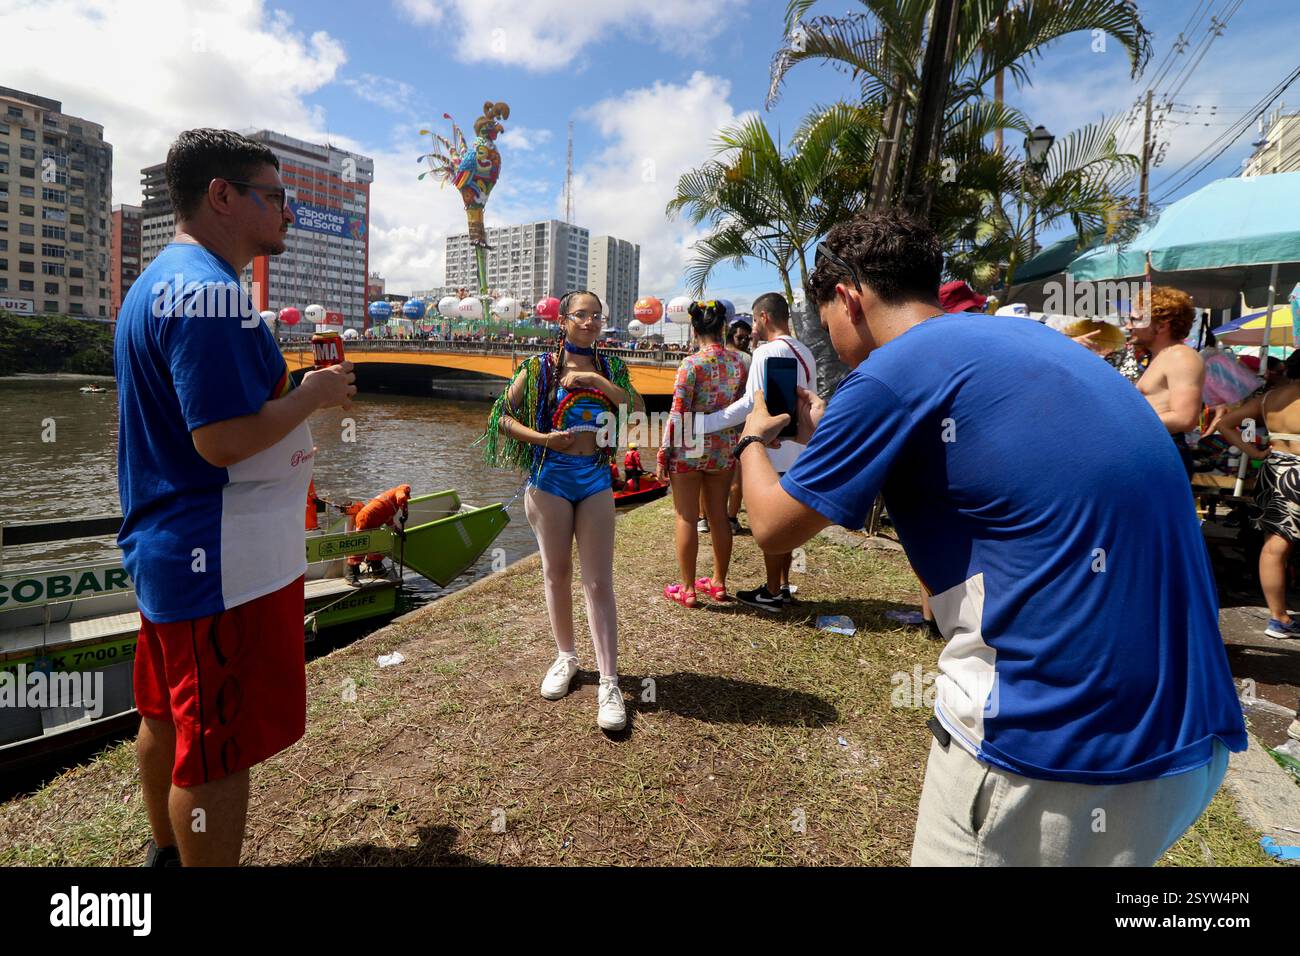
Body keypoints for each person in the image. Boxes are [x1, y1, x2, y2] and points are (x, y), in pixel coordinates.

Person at [736, 209, 1246, 866]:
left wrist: (753, 435)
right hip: (1187, 737)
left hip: (1049, 753)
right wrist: (834, 435)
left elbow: (774, 528)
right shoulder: (1037, 346)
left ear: (847, 297)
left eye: (827, 318)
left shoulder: (888, 374)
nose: (831, 340)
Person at [115, 129, 357, 866]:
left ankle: (165, 855)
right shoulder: (212, 293)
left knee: (165, 714)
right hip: (217, 562)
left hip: (173, 548)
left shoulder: (161, 280)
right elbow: (219, 439)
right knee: (217, 752)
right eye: (275, 198)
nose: (286, 214)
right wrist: (312, 395)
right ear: (222, 196)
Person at [482, 291, 641, 731]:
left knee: (599, 580)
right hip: (549, 480)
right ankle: (566, 658)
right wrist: (544, 440)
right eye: (581, 314)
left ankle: (609, 681)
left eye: (597, 315)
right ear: (563, 321)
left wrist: (598, 385)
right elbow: (502, 418)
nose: (590, 322)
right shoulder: (539, 369)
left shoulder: (612, 368)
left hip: (594, 479)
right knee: (556, 574)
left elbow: (637, 411)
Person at [690, 292, 816, 612]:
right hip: (799, 448)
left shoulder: (766, 352)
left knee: (771, 524)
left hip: (771, 449)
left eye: (754, 320)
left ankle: (773, 591)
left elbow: (751, 405)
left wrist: (705, 424)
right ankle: (783, 585)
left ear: (764, 318)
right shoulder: (805, 351)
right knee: (786, 523)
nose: (751, 330)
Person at [657, 301, 747, 608]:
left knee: (686, 516)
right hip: (723, 447)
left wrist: (664, 451)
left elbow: (678, 411)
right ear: (723, 328)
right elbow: (740, 407)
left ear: (694, 330)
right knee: (719, 515)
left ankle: (688, 589)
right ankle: (719, 583)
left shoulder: (690, 365)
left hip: (688, 447)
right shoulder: (738, 364)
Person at [1212, 351, 1300, 638]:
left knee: (1274, 547)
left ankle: (1278, 618)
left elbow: (1225, 424)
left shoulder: (1269, 398)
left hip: (1274, 470)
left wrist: (1254, 452)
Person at [1126, 286, 1205, 476]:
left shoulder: (1180, 356)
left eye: (1135, 320)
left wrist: (1126, 423)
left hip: (1164, 452)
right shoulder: (1160, 357)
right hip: (1154, 450)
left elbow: (1184, 418)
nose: (1128, 326)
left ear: (1162, 326)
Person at [345, 484, 411, 585]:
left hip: (374, 522)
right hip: (365, 518)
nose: (406, 499)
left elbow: (389, 521)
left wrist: (398, 531)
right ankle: (350, 574)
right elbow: (401, 498)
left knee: (377, 542)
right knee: (362, 544)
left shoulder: (392, 504)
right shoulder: (398, 492)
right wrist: (405, 513)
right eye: (407, 497)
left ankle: (375, 566)